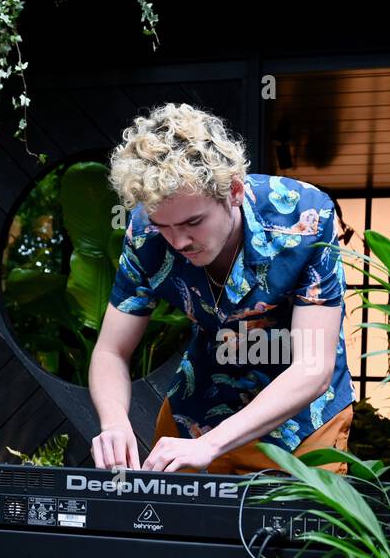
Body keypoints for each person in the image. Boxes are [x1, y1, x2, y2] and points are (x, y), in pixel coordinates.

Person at [88, 103, 355, 474]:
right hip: (197, 411)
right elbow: (112, 350)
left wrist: (211, 444)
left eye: (193, 222)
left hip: (302, 423)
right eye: (164, 226)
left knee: (296, 532)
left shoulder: (305, 217)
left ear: (233, 191)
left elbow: (313, 366)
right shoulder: (144, 233)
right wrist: (114, 423)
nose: (178, 241)